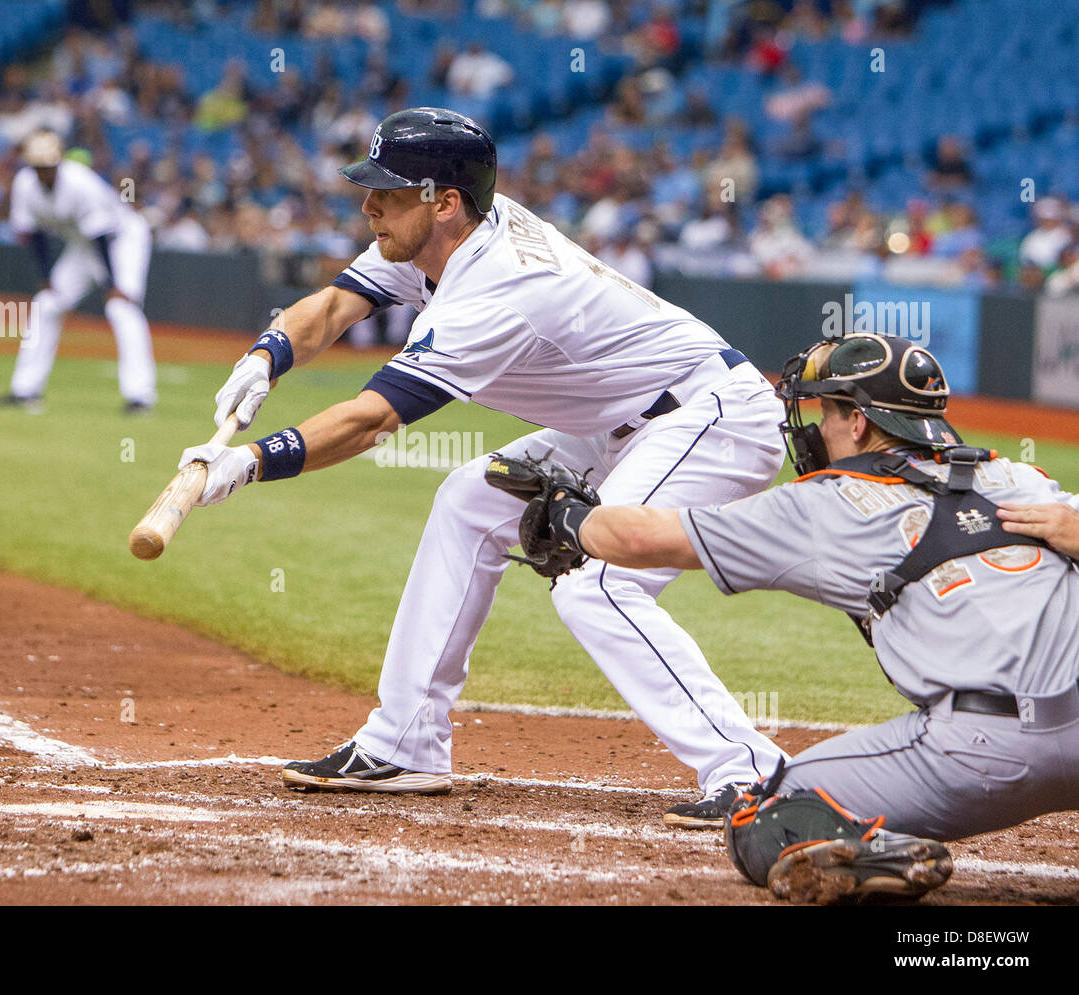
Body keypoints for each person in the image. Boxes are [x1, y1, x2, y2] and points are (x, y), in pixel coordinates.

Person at [177, 107, 788, 825]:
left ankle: (751, 769)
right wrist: (267, 354)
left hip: (708, 418)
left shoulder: (499, 288)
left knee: (597, 582)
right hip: (615, 426)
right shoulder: (439, 238)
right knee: (468, 499)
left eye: (390, 190)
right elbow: (338, 303)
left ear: (446, 203)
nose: (369, 204)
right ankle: (406, 741)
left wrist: (248, 461)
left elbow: (372, 419)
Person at [509, 333, 1079, 903]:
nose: (817, 429)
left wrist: (569, 517)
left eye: (827, 411)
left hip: (981, 754)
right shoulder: (1025, 482)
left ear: (857, 423)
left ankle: (880, 860)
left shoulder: (827, 502)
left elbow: (642, 537)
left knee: (765, 814)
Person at [0, 129, 157, 414]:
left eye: (49, 166)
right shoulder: (25, 185)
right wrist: (46, 281)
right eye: (38, 167)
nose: (44, 172)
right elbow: (33, 236)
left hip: (122, 239)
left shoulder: (79, 182)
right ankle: (25, 390)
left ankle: (140, 395)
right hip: (84, 245)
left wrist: (112, 285)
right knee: (46, 304)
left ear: (59, 163)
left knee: (121, 308)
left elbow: (101, 238)